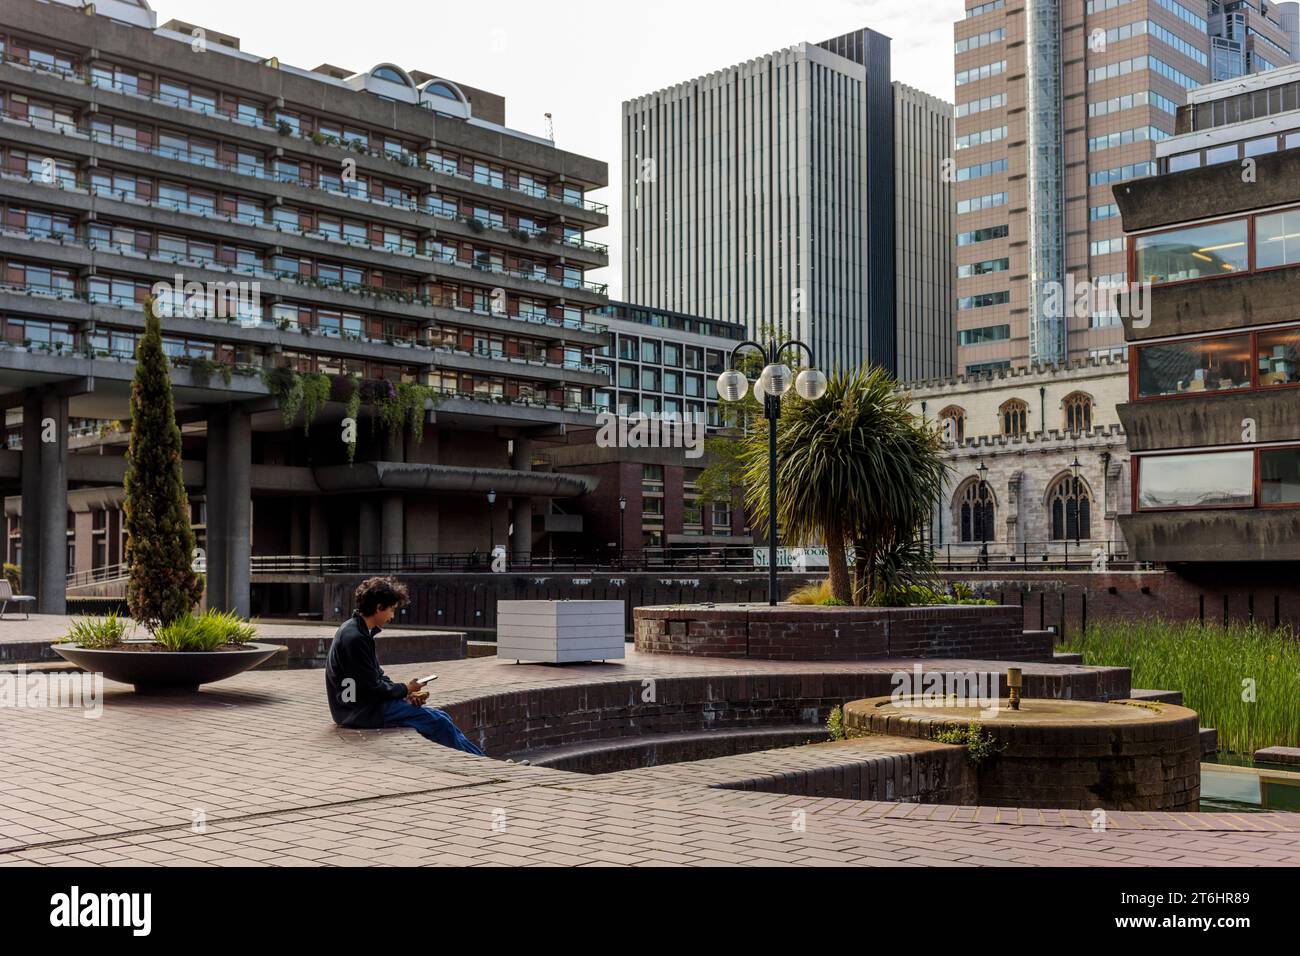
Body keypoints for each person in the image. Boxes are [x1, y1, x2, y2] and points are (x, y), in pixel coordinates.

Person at [325, 576, 484, 756]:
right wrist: (406, 689)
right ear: (379, 608)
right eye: (392, 609)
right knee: (439, 722)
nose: (392, 616)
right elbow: (372, 687)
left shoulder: (353, 629)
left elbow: (373, 679)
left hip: (357, 707)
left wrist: (404, 695)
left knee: (442, 718)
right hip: (359, 713)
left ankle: (482, 759)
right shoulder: (357, 638)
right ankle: (481, 762)